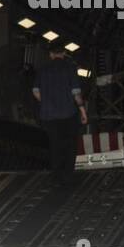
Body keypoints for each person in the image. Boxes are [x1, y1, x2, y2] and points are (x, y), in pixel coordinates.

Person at [32, 44, 87, 186]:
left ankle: (56, 176)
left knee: (55, 145)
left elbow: (36, 91)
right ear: (64, 53)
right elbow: (76, 92)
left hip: (49, 115)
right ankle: (68, 176)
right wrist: (82, 110)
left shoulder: (42, 70)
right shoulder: (70, 68)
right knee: (69, 145)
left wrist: (46, 103)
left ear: (50, 54)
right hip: (68, 113)